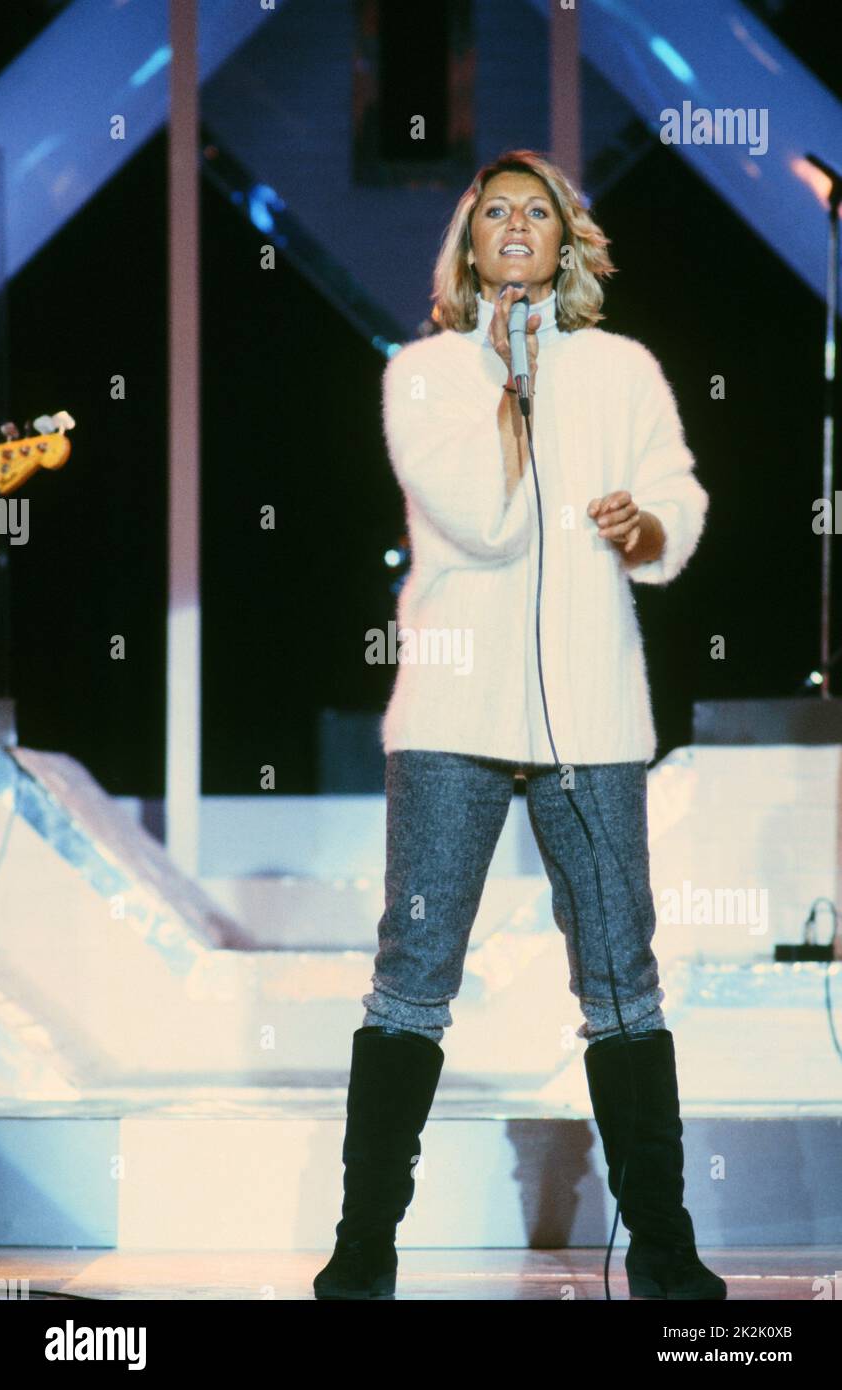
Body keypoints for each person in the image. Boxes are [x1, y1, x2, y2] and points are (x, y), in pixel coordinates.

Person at [314, 149, 725, 1301]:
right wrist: (508, 381)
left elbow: (677, 502)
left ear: (564, 240)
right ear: (465, 245)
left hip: (589, 710)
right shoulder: (424, 371)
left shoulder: (624, 368)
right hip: (452, 709)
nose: (511, 225)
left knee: (621, 978)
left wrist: (645, 525)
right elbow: (483, 521)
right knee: (411, 976)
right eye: (490, 210)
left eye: (533, 211)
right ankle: (363, 1247)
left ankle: (662, 1246)